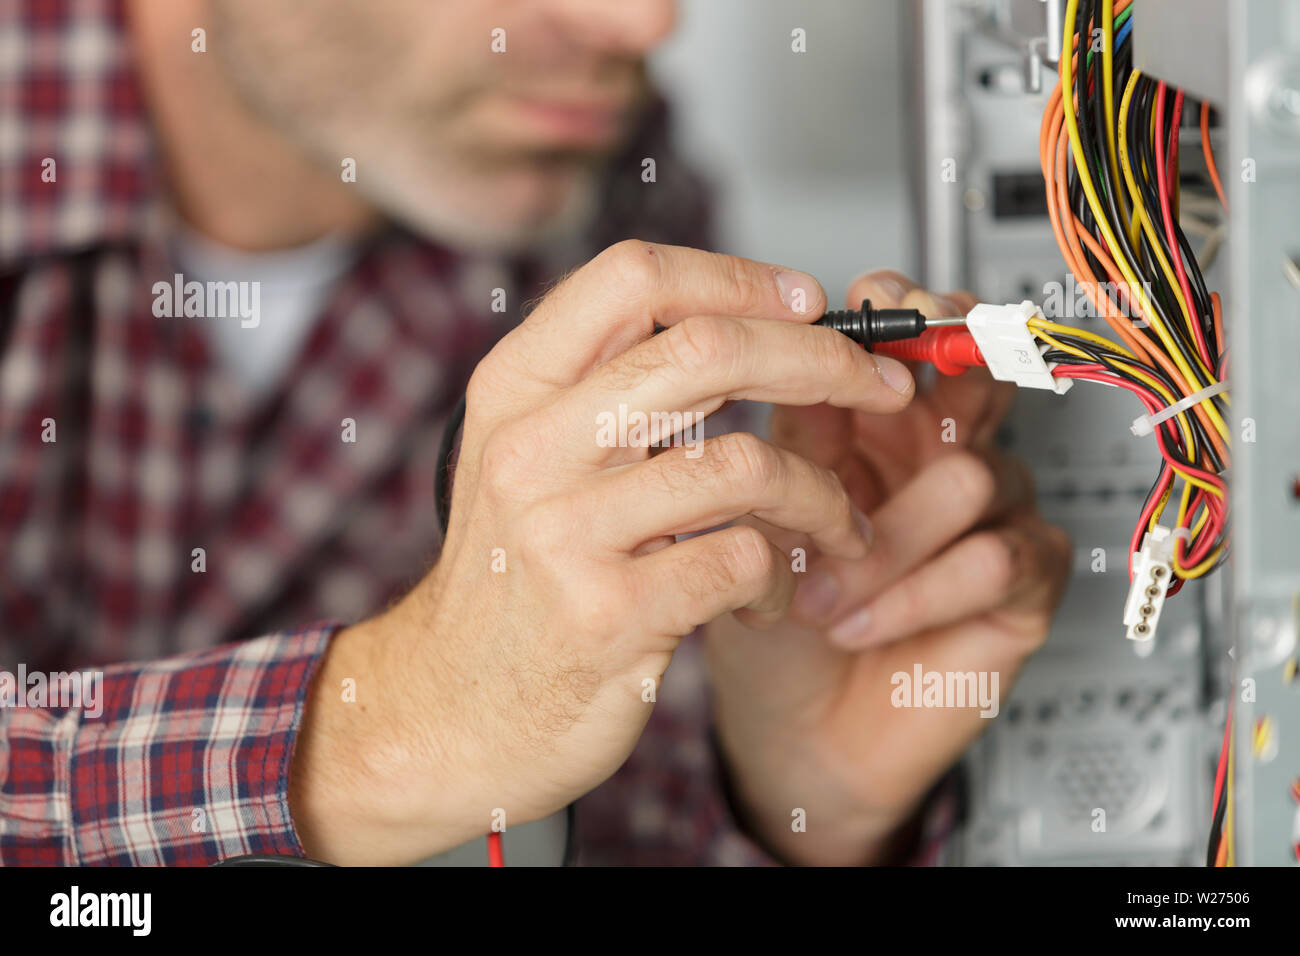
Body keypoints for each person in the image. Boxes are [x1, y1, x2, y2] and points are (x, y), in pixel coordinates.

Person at [0, 0, 1070, 866]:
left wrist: (783, 797)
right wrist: (387, 731)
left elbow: (588, 801)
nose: (643, 24)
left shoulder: (589, 194)